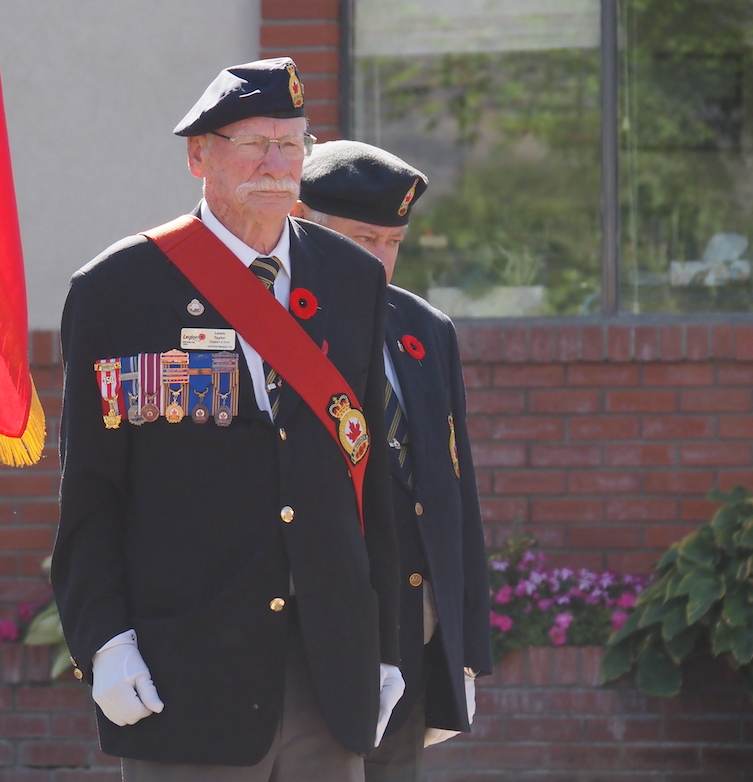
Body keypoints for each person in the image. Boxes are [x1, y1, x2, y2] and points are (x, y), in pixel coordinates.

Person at [52, 58, 404, 782]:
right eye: (254, 143)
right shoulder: (119, 289)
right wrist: (104, 640)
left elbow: (376, 479)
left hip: (328, 670)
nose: (277, 164)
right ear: (197, 155)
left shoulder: (352, 279)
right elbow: (91, 495)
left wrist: (388, 637)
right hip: (187, 670)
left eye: (293, 143)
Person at [293, 139, 494, 781]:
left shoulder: (425, 329)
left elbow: (453, 492)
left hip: (411, 641)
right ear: (303, 225)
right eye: (361, 239)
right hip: (314, 644)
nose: (379, 260)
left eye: (392, 242)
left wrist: (465, 646)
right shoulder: (275, 327)